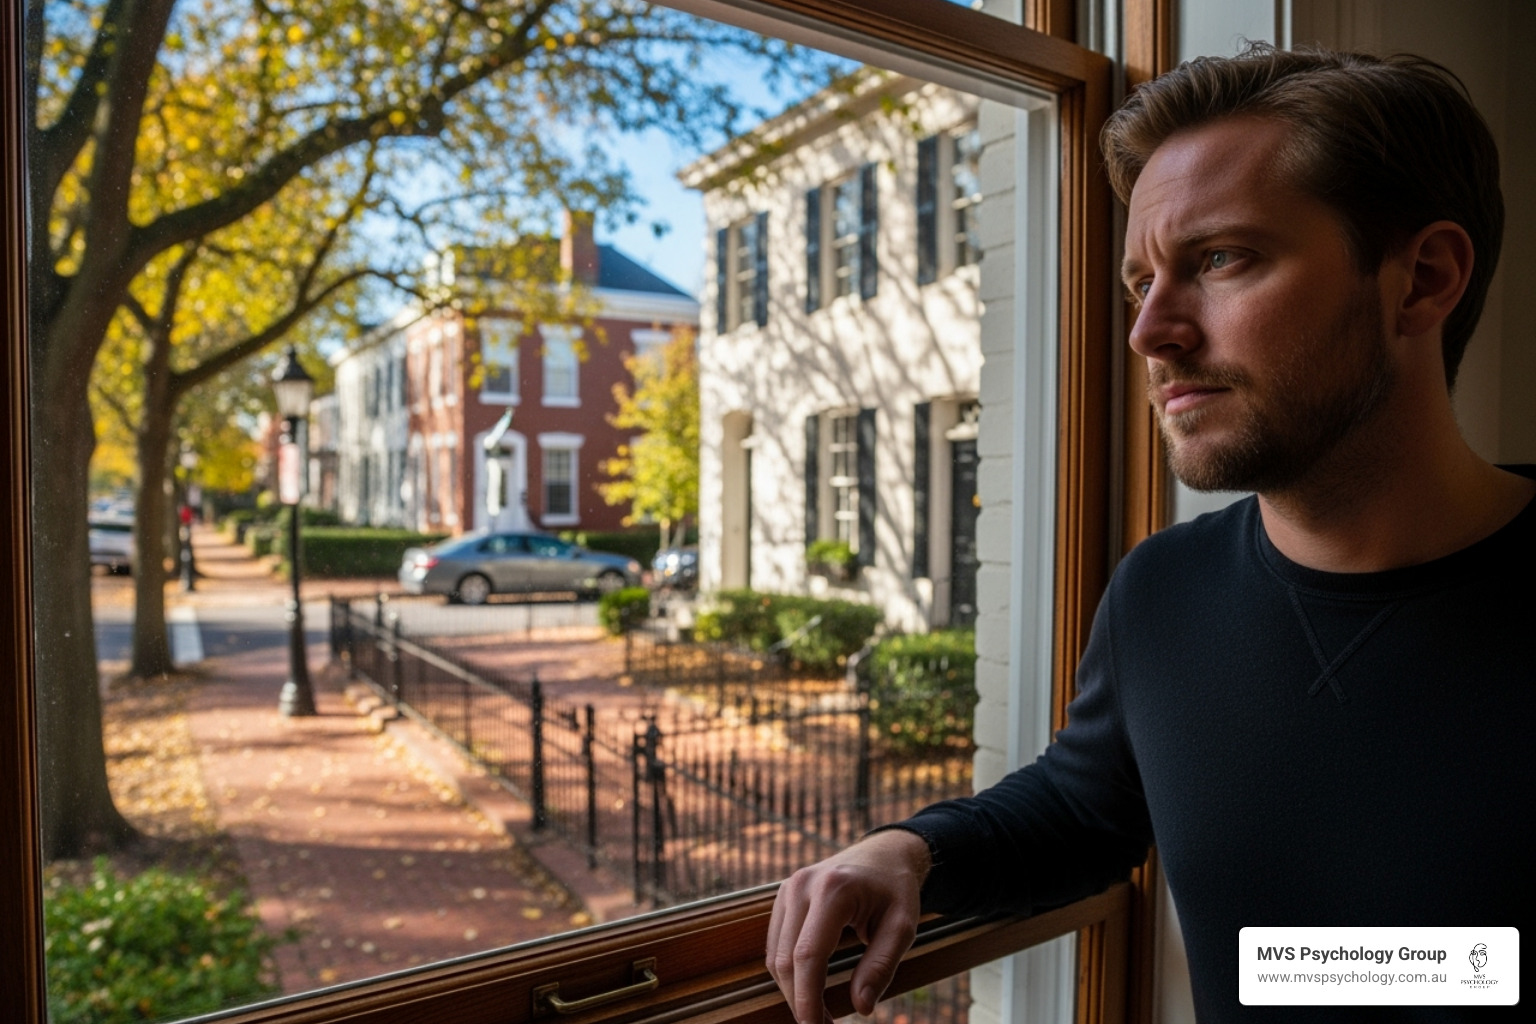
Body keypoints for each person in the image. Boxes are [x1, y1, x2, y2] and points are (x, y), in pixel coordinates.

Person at [767, 44, 1533, 1023]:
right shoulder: (1162, 592)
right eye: (1141, 283)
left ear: (1421, 279)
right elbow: (1082, 807)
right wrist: (910, 848)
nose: (1149, 331)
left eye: (1220, 259)